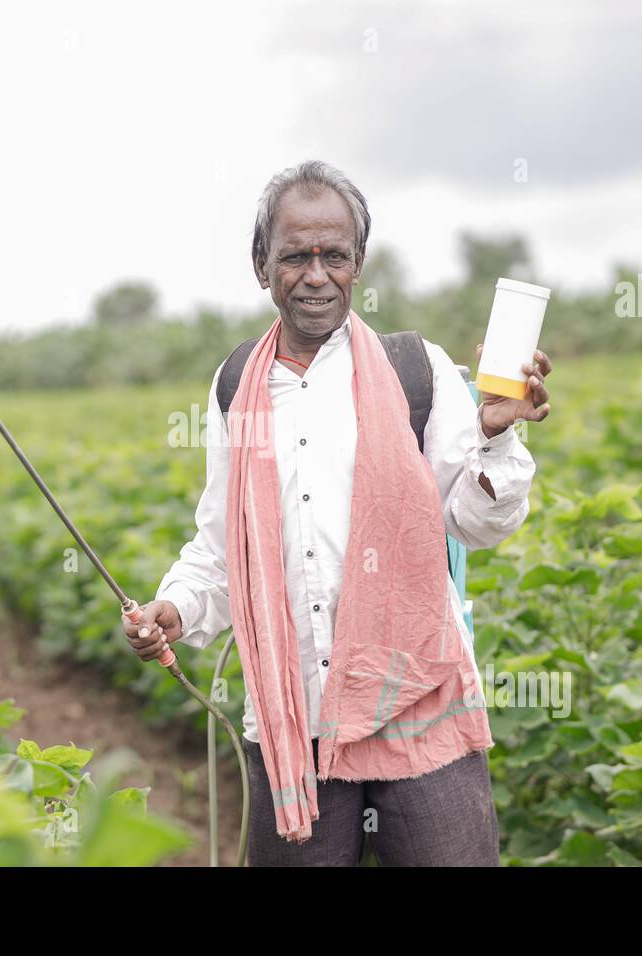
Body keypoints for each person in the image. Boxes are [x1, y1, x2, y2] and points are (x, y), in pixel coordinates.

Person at [122, 160, 552, 866]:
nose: (315, 275)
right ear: (262, 265)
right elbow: (223, 545)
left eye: (334, 256)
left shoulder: (417, 370)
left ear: (358, 265)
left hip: (418, 705)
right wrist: (175, 607)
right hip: (297, 721)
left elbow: (478, 524)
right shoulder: (237, 386)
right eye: (295, 256)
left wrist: (498, 436)